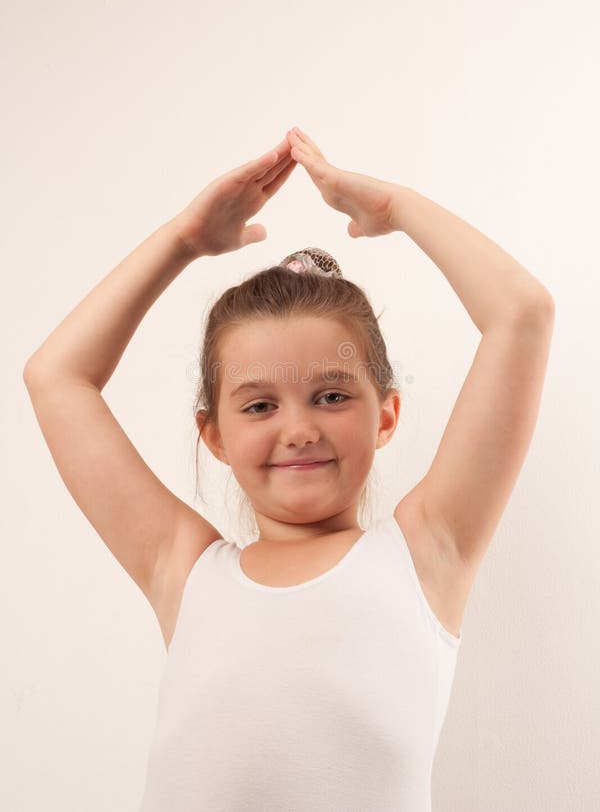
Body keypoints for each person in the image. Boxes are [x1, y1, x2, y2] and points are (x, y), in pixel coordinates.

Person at [23, 127, 555, 811]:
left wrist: (395, 208)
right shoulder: (182, 570)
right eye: (259, 405)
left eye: (331, 396)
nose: (298, 430)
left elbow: (522, 313)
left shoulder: (427, 551)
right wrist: (183, 239)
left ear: (386, 415)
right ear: (213, 434)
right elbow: (55, 377)